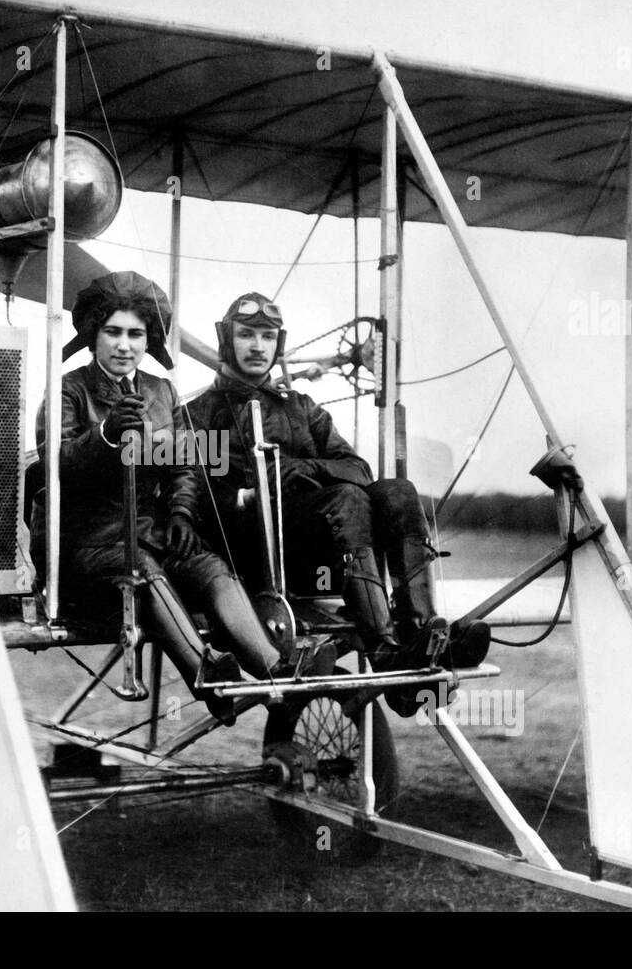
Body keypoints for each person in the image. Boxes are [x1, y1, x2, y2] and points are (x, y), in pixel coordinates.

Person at [184, 291, 491, 716]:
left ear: (279, 343)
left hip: (321, 548)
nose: (257, 346)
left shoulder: (302, 408)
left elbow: (357, 469)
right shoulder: (201, 414)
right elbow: (199, 498)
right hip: (249, 556)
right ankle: (384, 653)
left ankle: (423, 636)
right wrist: (258, 490)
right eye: (246, 334)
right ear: (226, 339)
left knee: (398, 492)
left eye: (267, 336)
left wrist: (300, 469)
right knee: (346, 498)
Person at [31, 273, 290, 726]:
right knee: (143, 574)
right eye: (113, 332)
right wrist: (107, 436)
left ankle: (278, 669)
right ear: (93, 334)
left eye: (136, 334)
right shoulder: (68, 390)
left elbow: (186, 462)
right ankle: (207, 675)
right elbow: (57, 465)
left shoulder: (160, 391)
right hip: (86, 542)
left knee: (207, 564)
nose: (124, 345)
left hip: (149, 532)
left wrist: (182, 513)